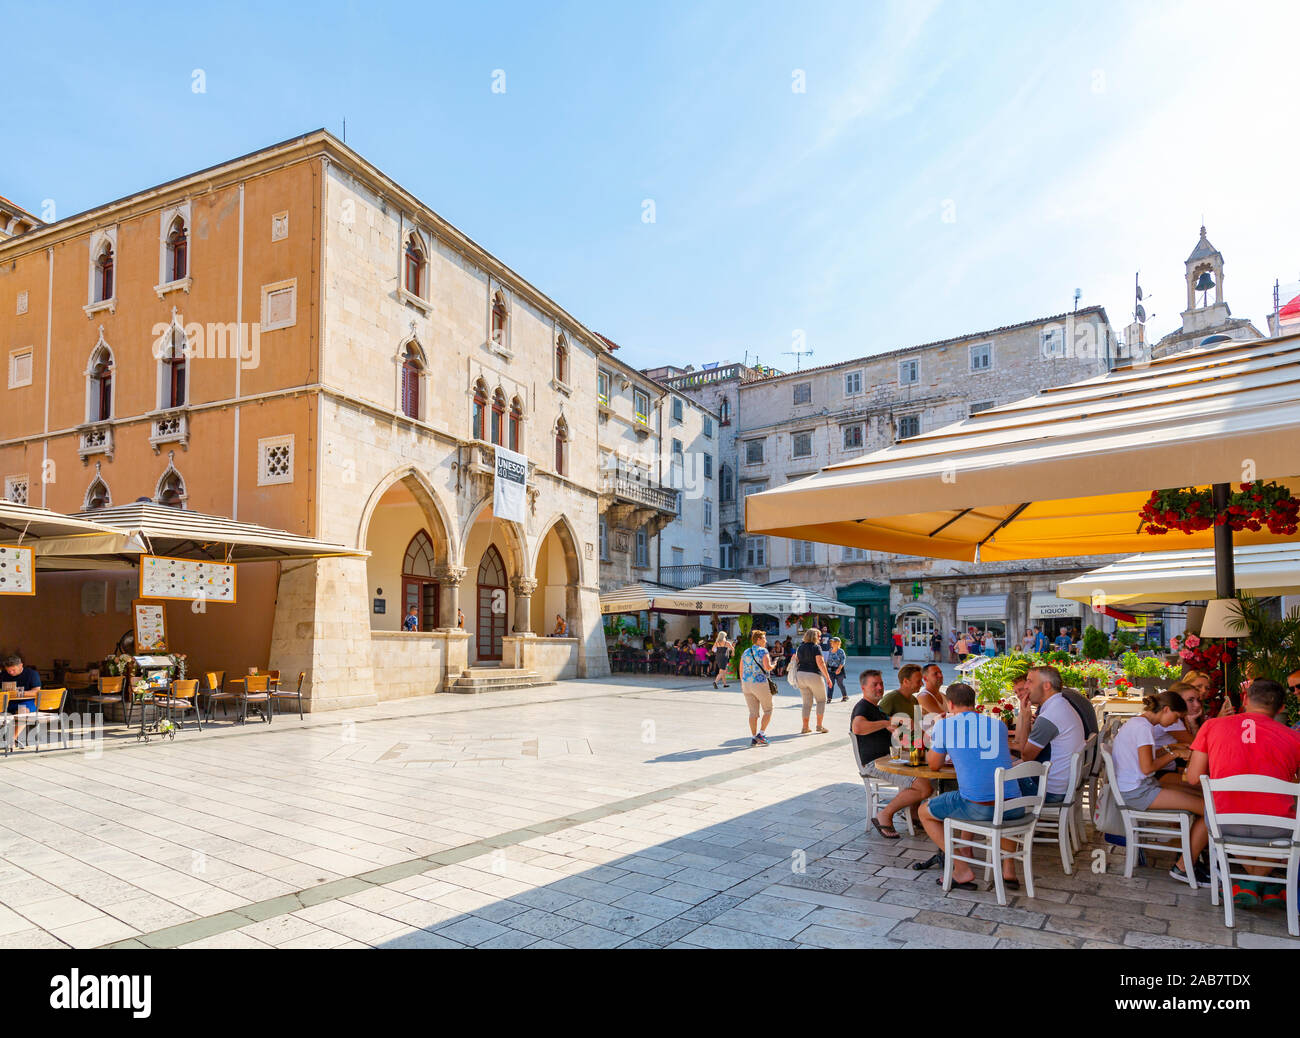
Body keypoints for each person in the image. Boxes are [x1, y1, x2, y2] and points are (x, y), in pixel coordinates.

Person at [1186, 678, 1300, 907]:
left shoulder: (1212, 727)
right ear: (1281, 708)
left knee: (1218, 820)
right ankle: (1262, 881)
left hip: (1224, 822)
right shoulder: (1295, 738)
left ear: (1245, 699)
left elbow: (1192, 777)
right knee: (1292, 821)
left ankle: (1250, 883)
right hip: (1277, 826)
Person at [919, 682, 1025, 890]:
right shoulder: (998, 726)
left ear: (950, 704)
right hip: (1016, 807)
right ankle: (1008, 869)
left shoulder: (945, 725)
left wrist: (937, 733)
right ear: (973, 703)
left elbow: (934, 764)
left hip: (980, 806)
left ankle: (961, 868)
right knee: (1000, 798)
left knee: (924, 811)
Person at [1110, 691, 1209, 884]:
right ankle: (1184, 866)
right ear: (1165, 709)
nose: (1174, 723)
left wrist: (1173, 749)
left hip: (1137, 787)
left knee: (1201, 797)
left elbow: (1147, 755)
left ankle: (1193, 856)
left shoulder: (1139, 723)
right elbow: (1147, 767)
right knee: (1209, 809)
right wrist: (1175, 755)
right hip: (1137, 792)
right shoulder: (1144, 728)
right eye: (1176, 717)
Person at [854, 669, 932, 838]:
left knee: (928, 772)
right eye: (874, 684)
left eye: (881, 684)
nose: (879, 687)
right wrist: (886, 722)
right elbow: (857, 727)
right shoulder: (863, 707)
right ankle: (885, 814)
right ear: (863, 688)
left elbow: (893, 731)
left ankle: (912, 813)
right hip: (874, 764)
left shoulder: (877, 709)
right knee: (924, 787)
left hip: (890, 759)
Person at [1009, 665, 1085, 804]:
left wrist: (1025, 717)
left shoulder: (1050, 716)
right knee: (1007, 762)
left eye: (1030, 681)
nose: (1026, 686)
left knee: (993, 773)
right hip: (1063, 786)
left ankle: (991, 819)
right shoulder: (1061, 705)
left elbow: (1026, 756)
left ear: (1046, 686)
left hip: (1050, 792)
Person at [739, 630, 776, 747]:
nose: (766, 640)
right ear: (758, 639)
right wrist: (774, 663)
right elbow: (767, 667)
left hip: (746, 684)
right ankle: (761, 733)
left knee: (753, 713)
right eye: (764, 638)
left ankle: (754, 737)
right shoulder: (763, 651)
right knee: (768, 709)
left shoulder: (746, 652)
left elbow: (741, 668)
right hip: (760, 683)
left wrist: (742, 682)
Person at [793, 629, 832, 734]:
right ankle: (819, 726)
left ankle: (805, 727)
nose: (820, 638)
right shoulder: (816, 647)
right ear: (815, 636)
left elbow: (796, 661)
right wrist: (827, 678)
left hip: (800, 675)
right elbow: (820, 662)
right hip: (813, 675)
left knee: (806, 703)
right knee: (821, 700)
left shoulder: (800, 647)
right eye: (819, 636)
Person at [1, 653, 41, 749]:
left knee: (22, 710)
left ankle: (12, 739)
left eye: (13, 670)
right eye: (8, 670)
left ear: (21, 665)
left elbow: (37, 691)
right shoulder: (3, 675)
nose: (10, 672)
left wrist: (19, 693)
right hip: (7, 702)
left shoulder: (31, 674)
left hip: (26, 702)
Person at [880, 663, 924, 731]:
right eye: (918, 681)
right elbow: (877, 719)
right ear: (905, 681)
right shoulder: (890, 698)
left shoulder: (914, 700)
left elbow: (919, 723)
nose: (922, 684)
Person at [825, 637, 848, 702]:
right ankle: (829, 698)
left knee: (840, 683)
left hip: (839, 670)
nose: (831, 643)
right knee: (830, 684)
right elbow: (827, 660)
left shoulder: (841, 651)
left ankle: (845, 696)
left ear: (837, 643)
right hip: (830, 670)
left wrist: (839, 669)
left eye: (833, 642)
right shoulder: (830, 650)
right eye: (831, 642)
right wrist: (825, 669)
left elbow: (843, 661)